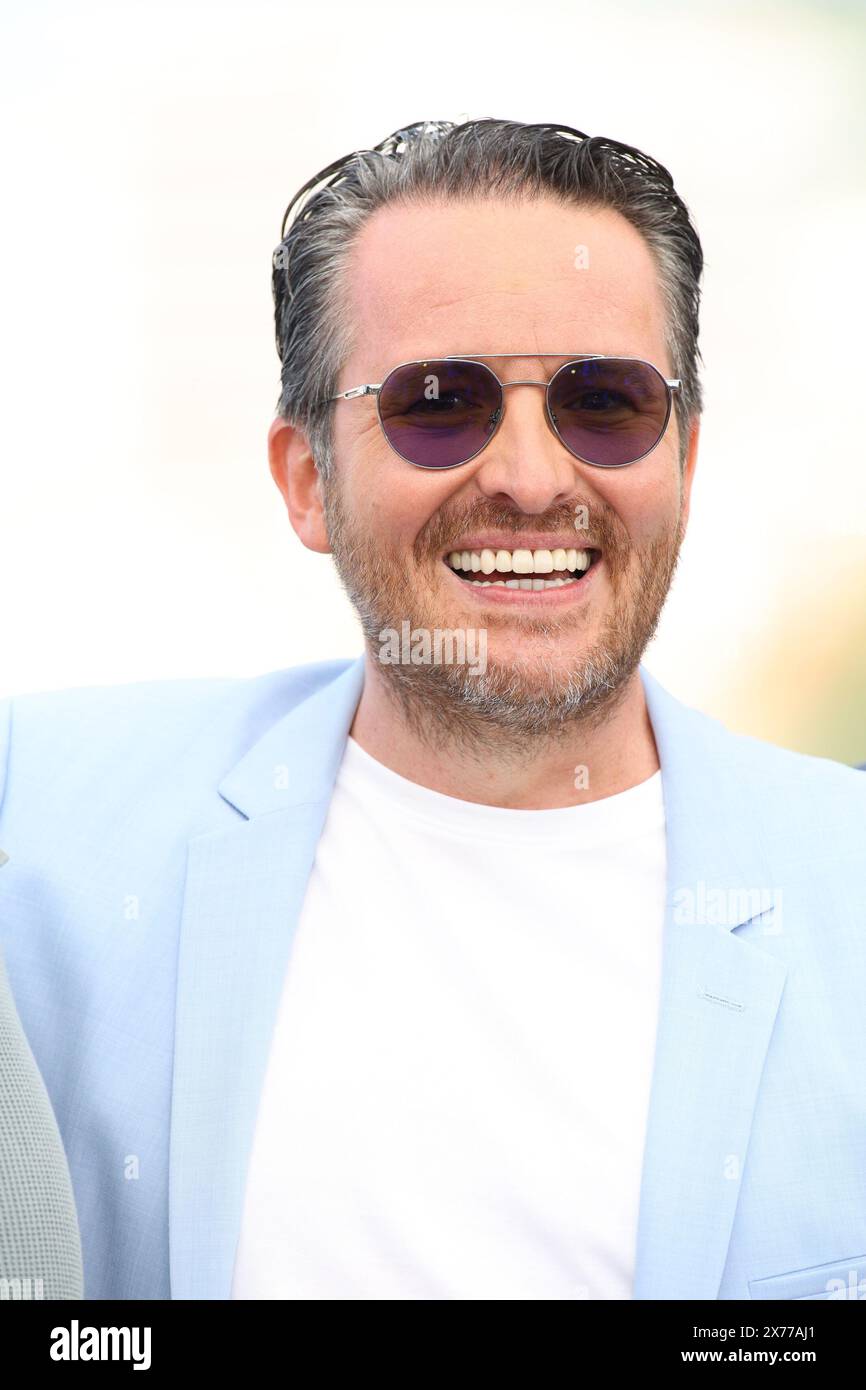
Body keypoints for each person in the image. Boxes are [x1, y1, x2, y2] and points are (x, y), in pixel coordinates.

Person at [1, 118, 864, 1302]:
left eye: (603, 402)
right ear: (307, 480)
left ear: (684, 461)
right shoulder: (37, 831)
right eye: (438, 402)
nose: (527, 476)